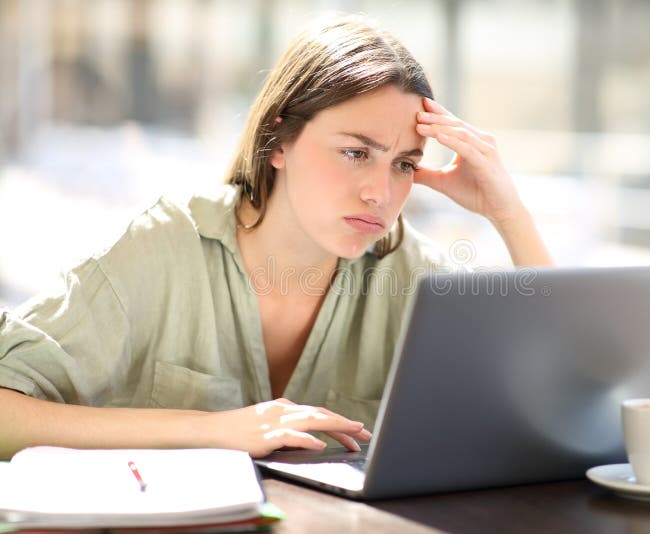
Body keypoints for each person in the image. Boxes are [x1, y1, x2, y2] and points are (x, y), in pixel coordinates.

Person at [0, 15, 552, 461]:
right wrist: (214, 430)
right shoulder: (163, 247)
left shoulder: (412, 275)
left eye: (404, 164)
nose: (380, 193)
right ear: (278, 140)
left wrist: (508, 213)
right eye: (355, 152)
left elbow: (560, 406)